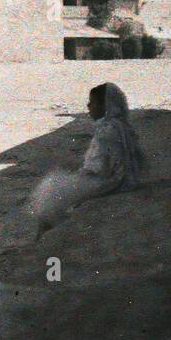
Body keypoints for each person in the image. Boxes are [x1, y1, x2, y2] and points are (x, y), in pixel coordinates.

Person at [30, 81, 146, 229]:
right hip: (113, 177)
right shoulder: (117, 126)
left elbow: (101, 166)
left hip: (107, 181)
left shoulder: (108, 131)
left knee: (52, 192)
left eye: (93, 102)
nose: (89, 106)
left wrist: (82, 171)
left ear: (105, 107)